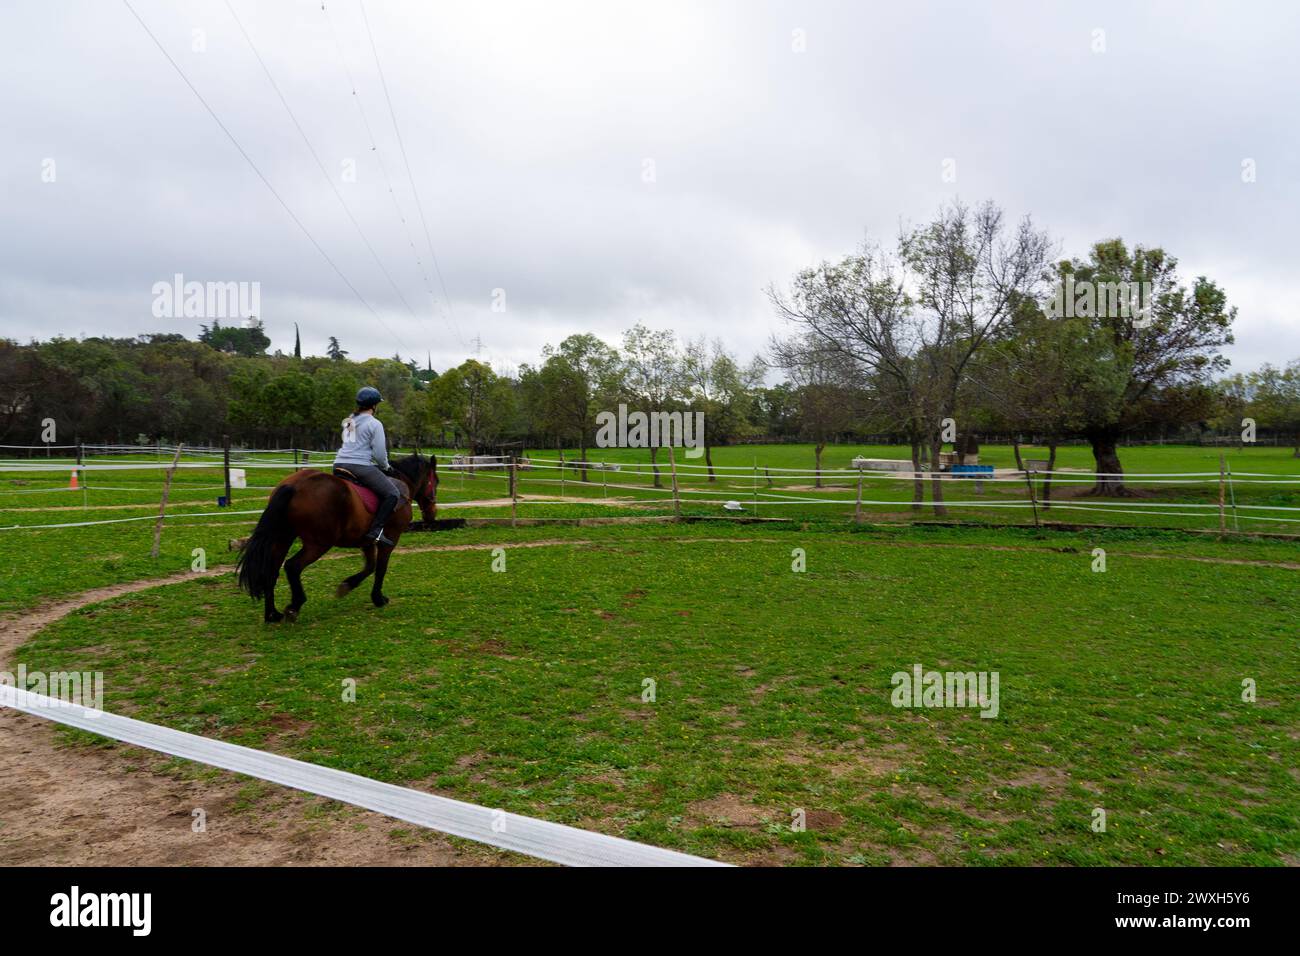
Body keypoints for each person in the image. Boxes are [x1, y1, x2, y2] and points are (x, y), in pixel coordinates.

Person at [333, 386, 403, 546]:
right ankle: (376, 531)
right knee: (393, 493)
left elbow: (350, 444)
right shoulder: (375, 424)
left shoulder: (348, 420)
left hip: (339, 463)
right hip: (360, 466)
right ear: (374, 405)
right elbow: (379, 453)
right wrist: (386, 467)